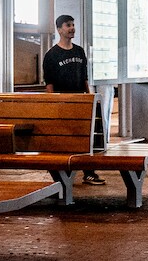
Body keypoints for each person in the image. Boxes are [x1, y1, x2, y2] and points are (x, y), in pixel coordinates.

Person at [43, 14, 105, 186]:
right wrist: (53, 104)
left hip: (81, 102)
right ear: (59, 29)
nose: (72, 28)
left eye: (73, 24)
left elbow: (84, 78)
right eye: (68, 25)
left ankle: (89, 173)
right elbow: (49, 83)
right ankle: (63, 173)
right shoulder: (51, 55)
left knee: (85, 139)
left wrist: (90, 98)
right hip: (63, 104)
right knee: (65, 140)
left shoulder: (79, 51)